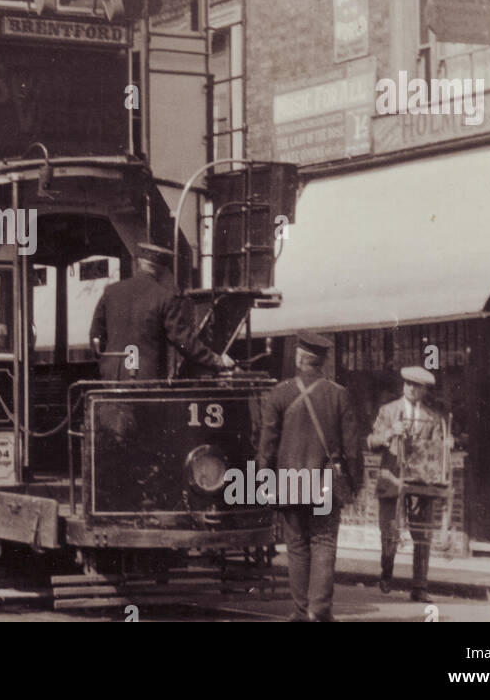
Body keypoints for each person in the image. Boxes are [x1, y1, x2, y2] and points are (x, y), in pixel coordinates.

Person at [257, 331, 363, 622]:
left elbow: (267, 445)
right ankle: (319, 611)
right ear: (322, 362)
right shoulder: (338, 394)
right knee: (324, 542)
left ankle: (302, 611)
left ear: (300, 358)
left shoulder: (280, 393)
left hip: (289, 483)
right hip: (325, 482)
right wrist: (354, 484)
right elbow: (353, 448)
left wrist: (263, 482)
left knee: (297, 546)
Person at [367, 366, 453, 603]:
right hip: (392, 479)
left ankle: (420, 587)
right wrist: (389, 434)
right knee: (389, 531)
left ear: (425, 390)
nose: (412, 389)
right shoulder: (388, 411)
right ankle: (386, 571)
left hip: (421, 484)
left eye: (417, 386)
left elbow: (437, 451)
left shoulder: (432, 418)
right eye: (408, 384)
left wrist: (446, 444)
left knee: (422, 535)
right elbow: (371, 442)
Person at [88, 243, 234, 380]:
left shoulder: (111, 291)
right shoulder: (164, 297)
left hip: (112, 376)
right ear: (162, 270)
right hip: (146, 380)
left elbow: (95, 334)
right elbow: (182, 340)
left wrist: (107, 361)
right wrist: (216, 360)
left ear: (138, 263)